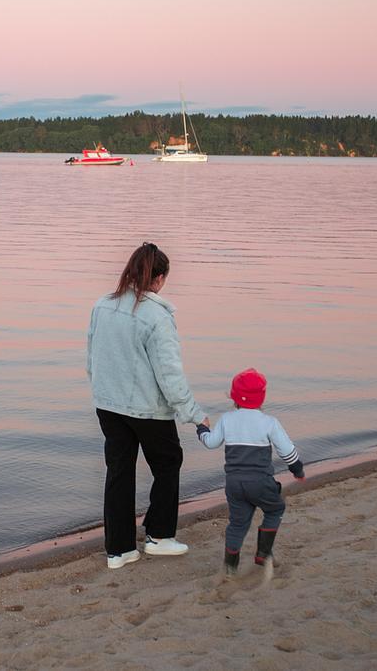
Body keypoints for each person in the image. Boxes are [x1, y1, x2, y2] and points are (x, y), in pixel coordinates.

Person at [88, 242, 208, 570]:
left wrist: (99, 391)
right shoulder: (157, 316)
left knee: (119, 472)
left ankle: (119, 550)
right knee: (168, 463)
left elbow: (92, 356)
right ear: (159, 278)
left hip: (108, 405)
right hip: (147, 409)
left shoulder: (102, 305)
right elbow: (169, 375)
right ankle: (159, 536)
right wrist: (195, 415)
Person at [196, 368, 305, 573]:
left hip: (234, 484)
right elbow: (287, 451)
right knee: (275, 509)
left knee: (237, 524)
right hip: (260, 482)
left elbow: (211, 443)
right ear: (262, 397)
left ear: (233, 396)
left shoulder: (227, 419)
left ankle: (230, 568)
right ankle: (263, 553)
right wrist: (297, 470)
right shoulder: (269, 423)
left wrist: (202, 428)